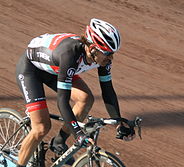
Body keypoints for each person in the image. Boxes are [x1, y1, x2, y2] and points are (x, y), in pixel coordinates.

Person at [15, 18, 135, 167]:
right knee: (41, 128)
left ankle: (58, 141)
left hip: (56, 69)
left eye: (112, 53)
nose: (111, 58)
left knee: (86, 98)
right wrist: (78, 134)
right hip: (31, 71)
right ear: (92, 48)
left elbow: (108, 90)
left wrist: (119, 123)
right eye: (107, 53)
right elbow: (62, 102)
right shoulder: (70, 55)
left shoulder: (103, 58)